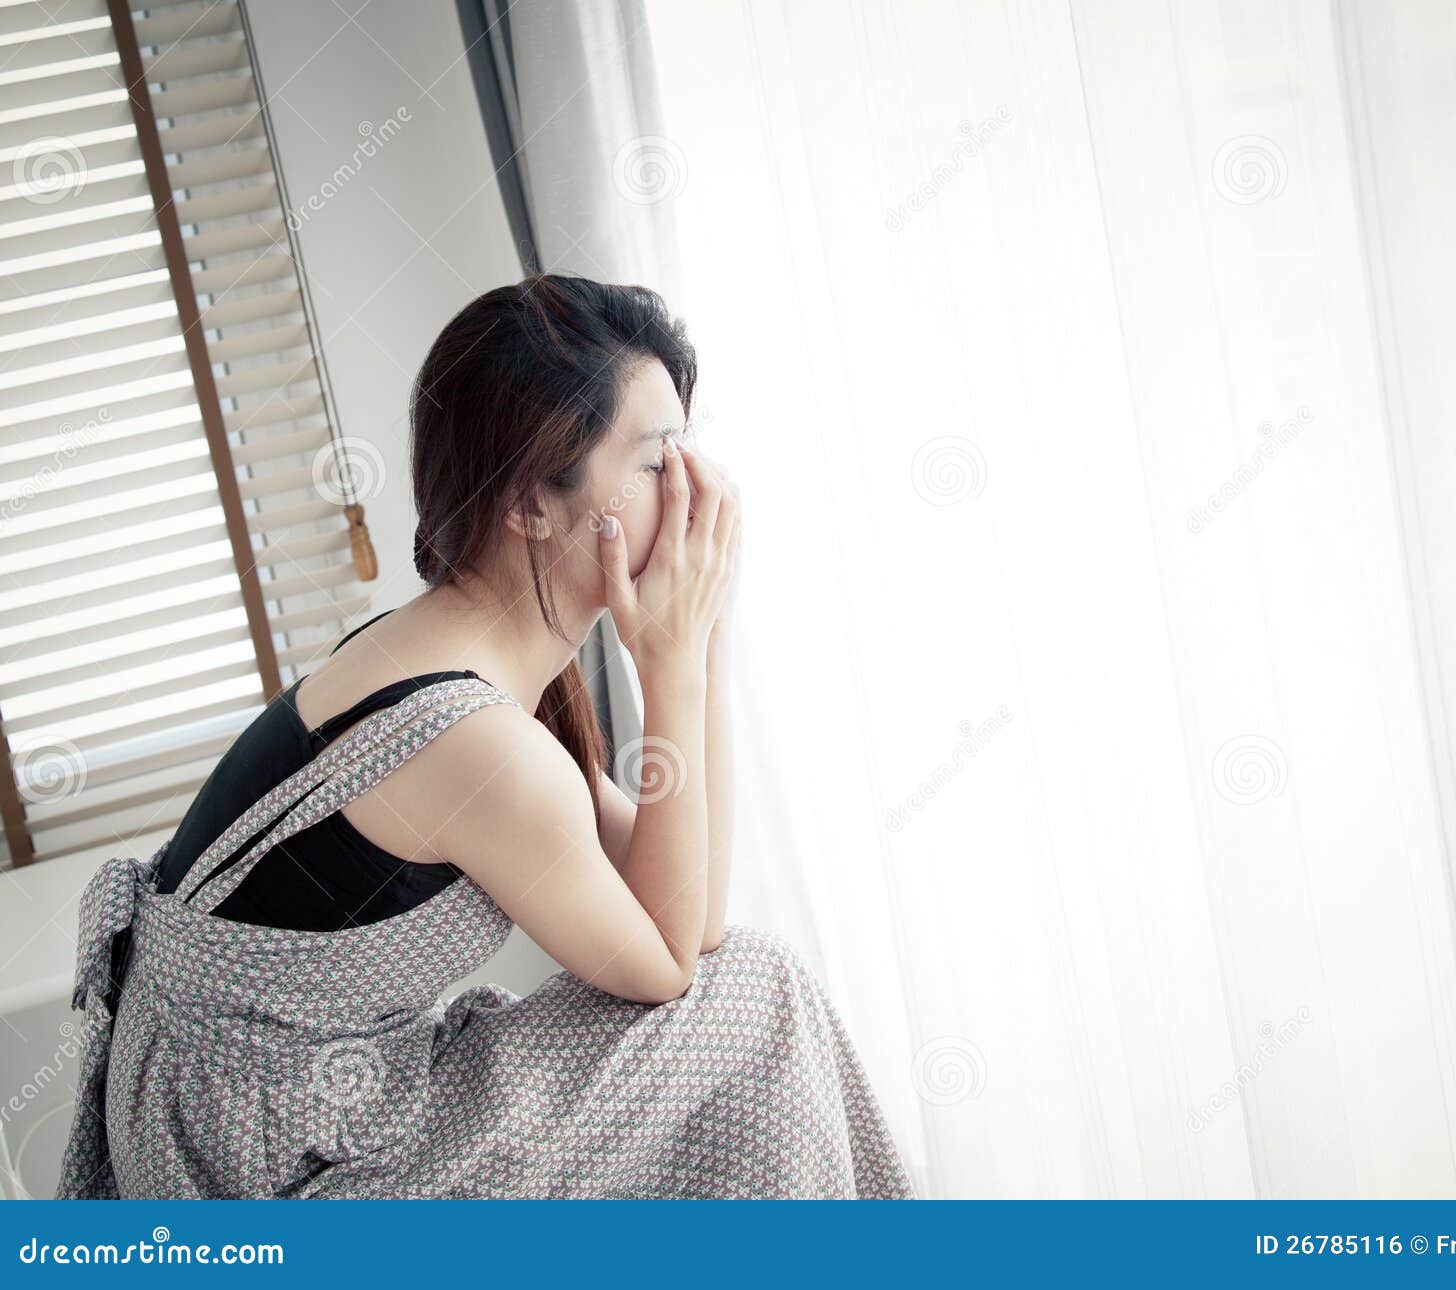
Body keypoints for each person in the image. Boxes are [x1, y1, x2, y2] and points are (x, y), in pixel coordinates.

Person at [57, 275, 915, 1200]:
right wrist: (670, 666)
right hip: (265, 1172)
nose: (696, 493)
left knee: (751, 982)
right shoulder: (478, 745)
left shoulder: (461, 662)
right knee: (760, 996)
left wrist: (699, 640)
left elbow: (689, 914)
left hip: (283, 1108)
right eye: (659, 459)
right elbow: (672, 965)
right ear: (532, 502)